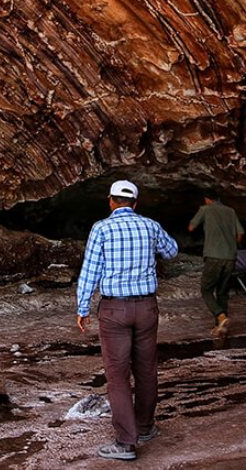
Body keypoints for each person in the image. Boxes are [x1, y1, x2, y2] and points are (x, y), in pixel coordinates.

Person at [76, 179, 179, 461]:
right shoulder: (150, 225)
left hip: (114, 310)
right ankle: (145, 428)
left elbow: (90, 271)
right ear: (135, 203)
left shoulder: (101, 228)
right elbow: (172, 251)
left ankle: (125, 443)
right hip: (146, 307)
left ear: (111, 201)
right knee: (146, 369)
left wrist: (83, 308)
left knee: (118, 376)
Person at [188, 191, 244, 337]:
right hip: (230, 257)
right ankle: (221, 327)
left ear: (207, 199)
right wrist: (231, 245)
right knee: (222, 292)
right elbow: (240, 234)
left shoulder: (205, 209)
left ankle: (220, 315)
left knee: (206, 289)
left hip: (213, 256)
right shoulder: (231, 211)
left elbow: (191, 227)